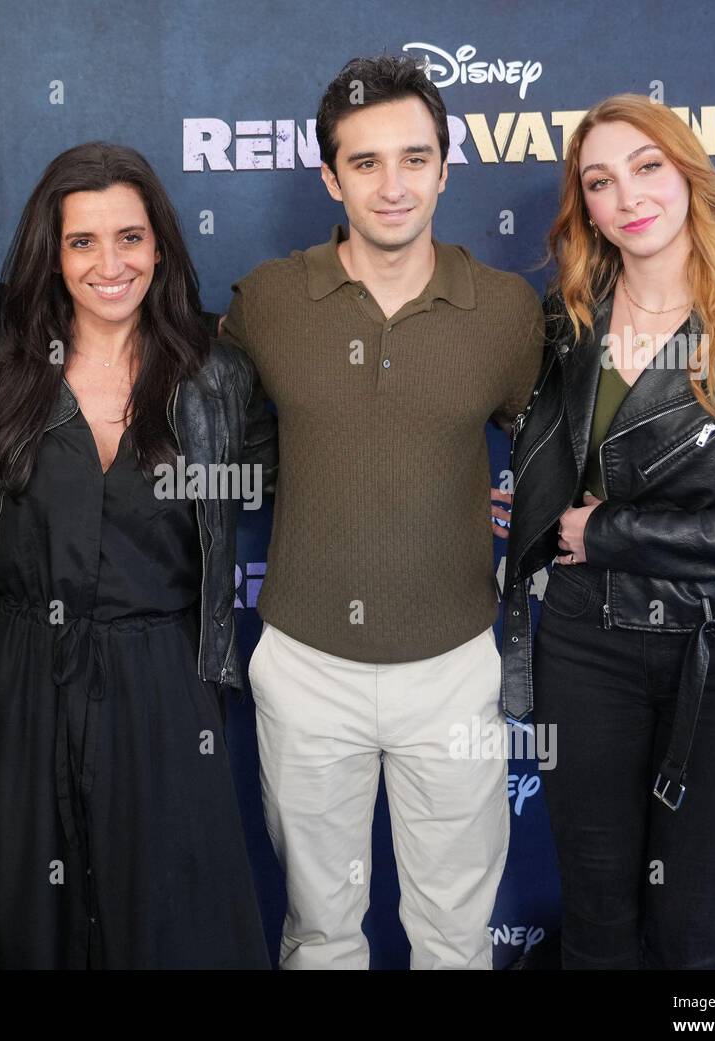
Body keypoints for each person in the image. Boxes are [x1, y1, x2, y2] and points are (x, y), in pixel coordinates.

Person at [221, 55, 544, 969]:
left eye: (414, 159)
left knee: (453, 934)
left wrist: (519, 500)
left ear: (447, 167)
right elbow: (208, 427)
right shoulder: (270, 300)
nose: (392, 185)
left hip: (452, 667)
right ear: (330, 177)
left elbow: (550, 450)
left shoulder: (508, 312)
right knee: (320, 934)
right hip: (305, 661)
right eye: (365, 163)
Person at [500, 93, 715, 968]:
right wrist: (519, 504)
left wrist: (611, 531)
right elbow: (527, 442)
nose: (628, 196)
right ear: (586, 206)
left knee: (694, 938)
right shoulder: (561, 324)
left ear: (689, 175)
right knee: (599, 928)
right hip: (586, 646)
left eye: (647, 167)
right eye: (600, 181)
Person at [0, 142, 276, 969]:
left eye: (129, 237)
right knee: (25, 915)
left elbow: (334, 473)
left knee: (171, 914)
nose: (109, 263)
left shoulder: (219, 378)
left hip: (165, 676)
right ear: (52, 257)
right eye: (82, 242)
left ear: (160, 244)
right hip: (19, 674)